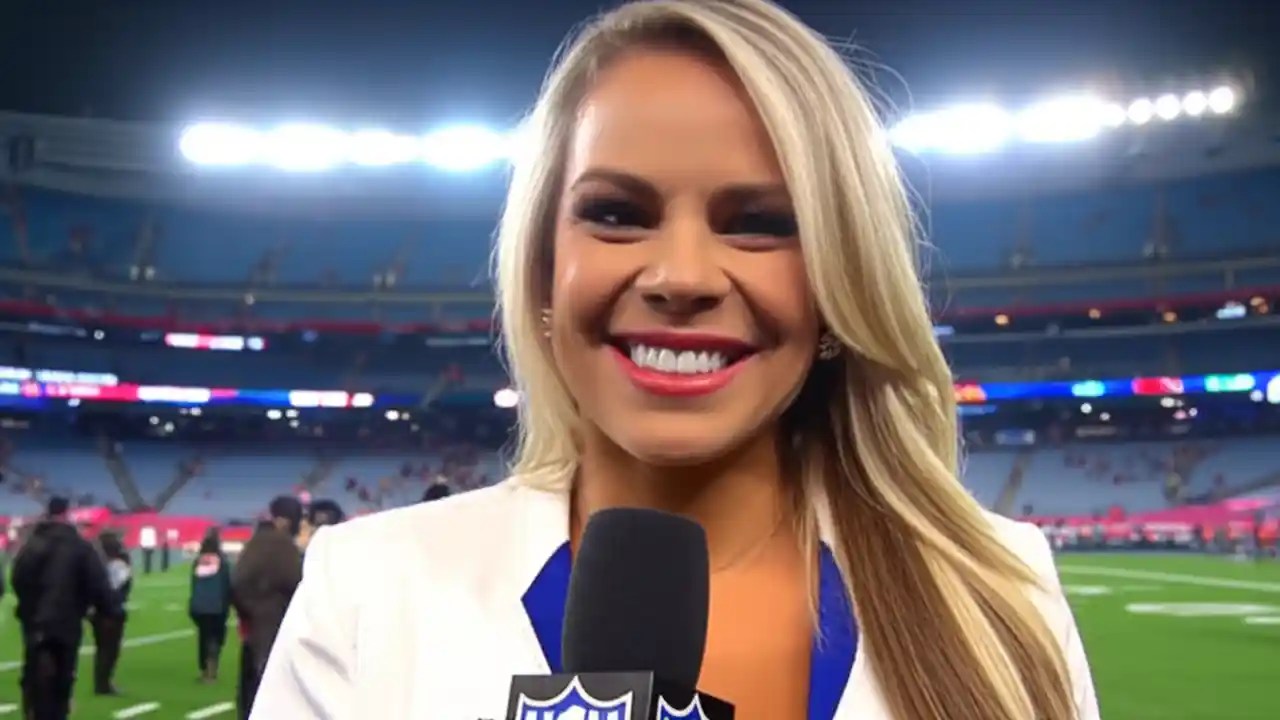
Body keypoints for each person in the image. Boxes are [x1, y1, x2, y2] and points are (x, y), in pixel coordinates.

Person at [251, 2, 1098, 719]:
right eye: (617, 213)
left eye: (759, 221)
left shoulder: (998, 589)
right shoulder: (368, 590)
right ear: (544, 269)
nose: (681, 277)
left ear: (841, 281)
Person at [12, 497, 117, 720]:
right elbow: (98, 583)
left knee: (33, 670)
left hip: (35, 621)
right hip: (67, 621)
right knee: (62, 676)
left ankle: (31, 710)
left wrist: (28, 607)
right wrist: (103, 608)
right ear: (67, 513)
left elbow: (18, 578)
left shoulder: (32, 545)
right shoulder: (80, 546)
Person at [232, 499, 303, 719]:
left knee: (251, 688)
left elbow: (238, 583)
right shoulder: (281, 546)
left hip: (256, 627)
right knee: (269, 688)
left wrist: (248, 612)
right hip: (273, 626)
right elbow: (295, 582)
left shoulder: (257, 542)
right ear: (286, 521)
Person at [91, 531, 132, 696]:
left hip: (97, 611)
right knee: (110, 649)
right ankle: (104, 683)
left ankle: (101, 682)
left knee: (101, 648)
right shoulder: (119, 565)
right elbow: (118, 587)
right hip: (112, 611)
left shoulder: (95, 562)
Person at [190, 529, 233, 683]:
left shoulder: (198, 561)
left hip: (199, 606)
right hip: (217, 606)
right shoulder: (222, 561)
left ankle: (204, 670)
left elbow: (194, 584)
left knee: (203, 637)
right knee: (215, 638)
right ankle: (211, 669)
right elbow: (227, 583)